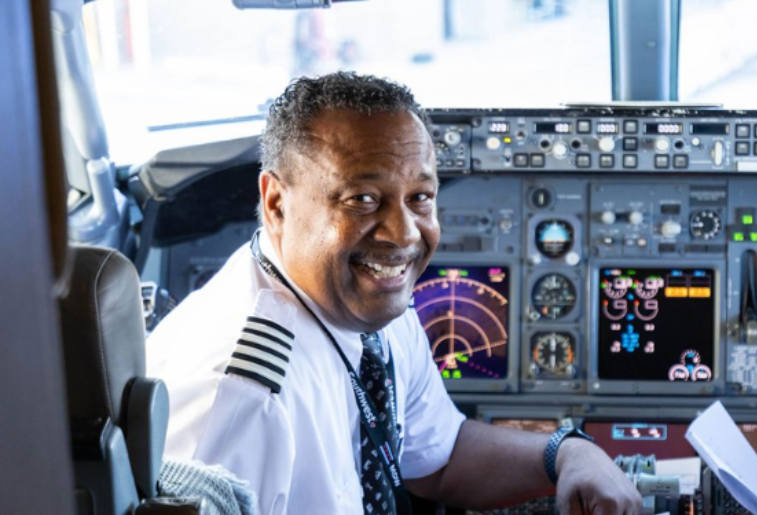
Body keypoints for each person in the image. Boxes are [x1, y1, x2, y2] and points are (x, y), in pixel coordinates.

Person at [146, 71, 642, 515]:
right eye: (362, 199)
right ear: (277, 203)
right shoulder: (243, 397)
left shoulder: (372, 304)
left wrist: (569, 454)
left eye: (419, 198)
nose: (404, 234)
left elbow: (439, 459)